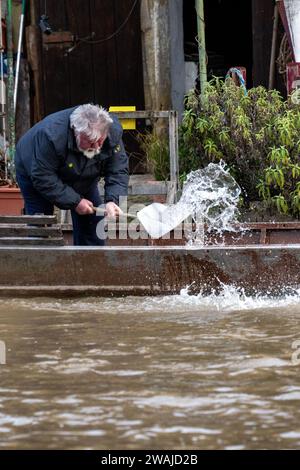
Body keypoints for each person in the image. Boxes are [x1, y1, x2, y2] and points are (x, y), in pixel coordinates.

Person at [15, 104, 129, 246]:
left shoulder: (111, 132)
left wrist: (113, 200)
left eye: (100, 140)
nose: (97, 147)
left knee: (92, 218)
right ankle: (41, 264)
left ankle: (90, 264)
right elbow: (43, 178)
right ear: (76, 131)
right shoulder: (50, 136)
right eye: (90, 142)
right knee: (41, 221)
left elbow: (117, 170)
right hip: (34, 171)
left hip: (82, 173)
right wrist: (75, 202)